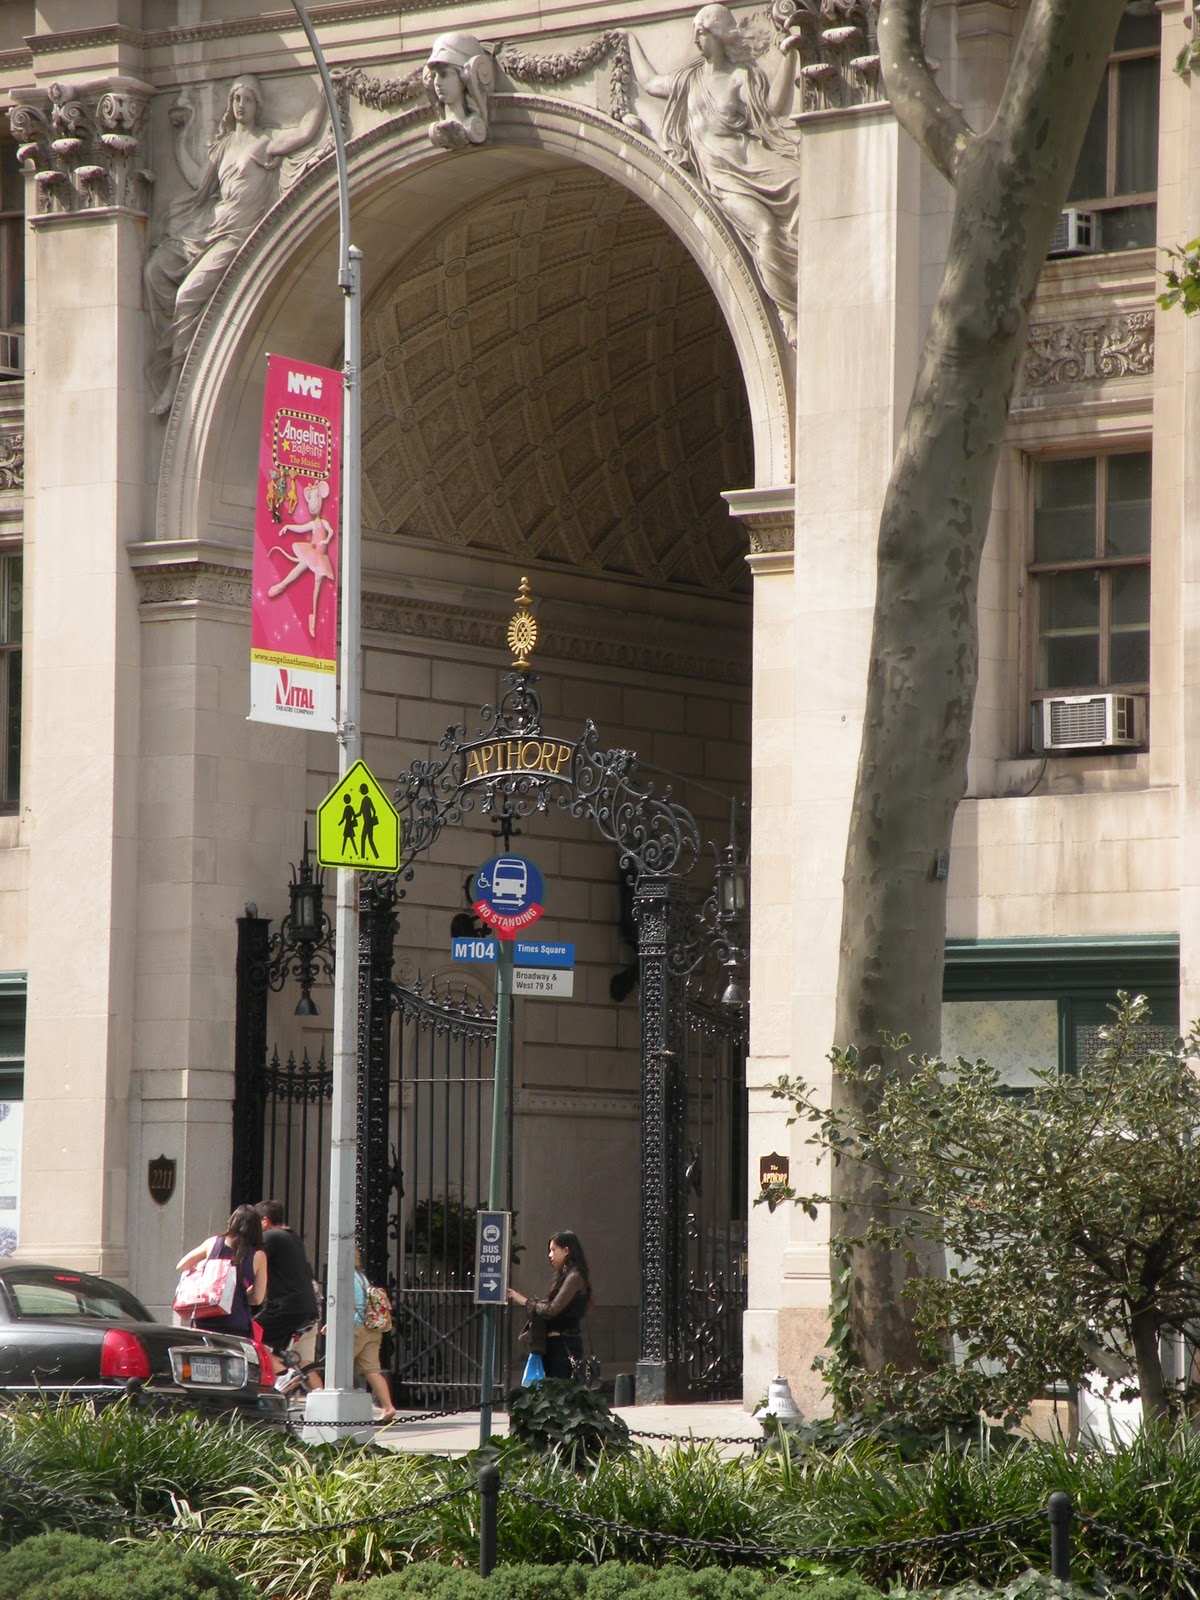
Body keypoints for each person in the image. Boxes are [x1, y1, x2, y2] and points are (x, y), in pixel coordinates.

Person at [145, 76, 326, 415]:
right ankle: (177, 352)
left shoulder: (266, 141)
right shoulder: (226, 145)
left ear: (259, 105)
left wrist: (322, 94)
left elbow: (303, 132)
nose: (241, 105)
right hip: (210, 228)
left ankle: (175, 382)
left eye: (248, 99)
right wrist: (180, 140)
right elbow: (201, 181)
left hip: (236, 236)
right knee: (155, 269)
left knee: (186, 295)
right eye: (236, 99)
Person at [627, 6, 799, 344]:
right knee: (764, 228)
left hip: (752, 161)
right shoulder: (689, 80)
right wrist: (627, 37)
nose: (694, 39)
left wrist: (791, 56)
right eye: (694, 32)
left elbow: (775, 107)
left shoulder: (741, 77)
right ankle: (789, 310)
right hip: (723, 177)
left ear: (719, 35)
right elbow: (648, 82)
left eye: (701, 32)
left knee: (806, 187)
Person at [254, 1200, 323, 1389]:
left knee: (248, 1335)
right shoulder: (292, 1237)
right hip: (304, 1307)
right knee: (278, 1351)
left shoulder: (271, 1237)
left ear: (265, 1221)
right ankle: (287, 1377)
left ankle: (285, 1374)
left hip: (285, 1307)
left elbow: (252, 1266)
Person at [507, 1230, 593, 1380]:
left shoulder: (575, 1276)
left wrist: (525, 1302)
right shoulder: (564, 1276)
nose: (550, 1255)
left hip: (564, 1344)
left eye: (553, 1250)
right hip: (553, 1344)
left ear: (566, 1251)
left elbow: (552, 1309)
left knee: (560, 1390)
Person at [175, 1204, 267, 1338]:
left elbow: (181, 1265)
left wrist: (201, 1272)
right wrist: (238, 1293)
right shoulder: (258, 1256)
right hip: (237, 1324)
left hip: (205, 1321)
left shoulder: (214, 1243)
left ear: (232, 1223)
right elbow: (257, 1299)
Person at [267, 478, 336, 638]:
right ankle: (282, 585)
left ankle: (313, 616)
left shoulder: (323, 522)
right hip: (312, 552)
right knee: (300, 568)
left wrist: (326, 540)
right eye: (311, 498)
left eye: (316, 497)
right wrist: (287, 527)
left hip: (321, 557)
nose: (313, 503)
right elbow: (300, 528)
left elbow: (331, 531)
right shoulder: (313, 525)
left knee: (317, 588)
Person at [353, 1247, 397, 1422]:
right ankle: (387, 1406)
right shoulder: (362, 1277)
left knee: (337, 1367)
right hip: (372, 1328)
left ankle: (344, 1405)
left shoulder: (344, 1277)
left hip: (356, 1327)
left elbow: (347, 1305)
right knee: (372, 1370)